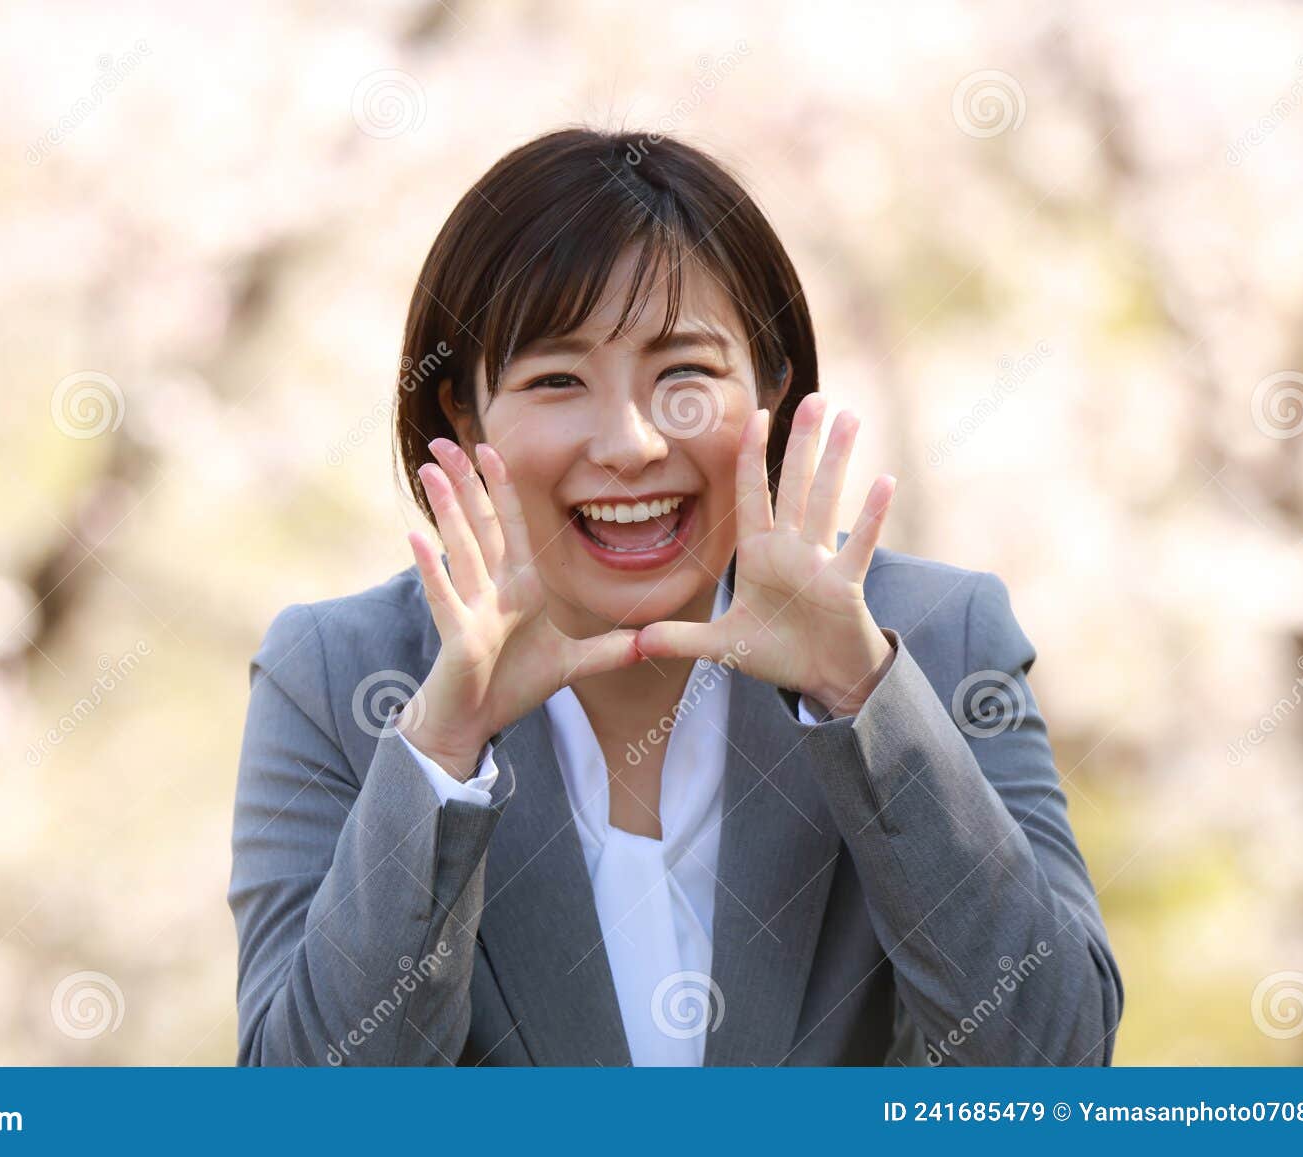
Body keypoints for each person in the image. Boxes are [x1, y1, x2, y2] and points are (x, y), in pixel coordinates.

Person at [228, 127, 1122, 1066]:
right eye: (557, 379)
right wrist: (442, 759)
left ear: (772, 384)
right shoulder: (339, 678)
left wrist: (863, 700)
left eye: (685, 374)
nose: (631, 443)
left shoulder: (937, 640)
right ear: (462, 409)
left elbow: (1055, 1063)